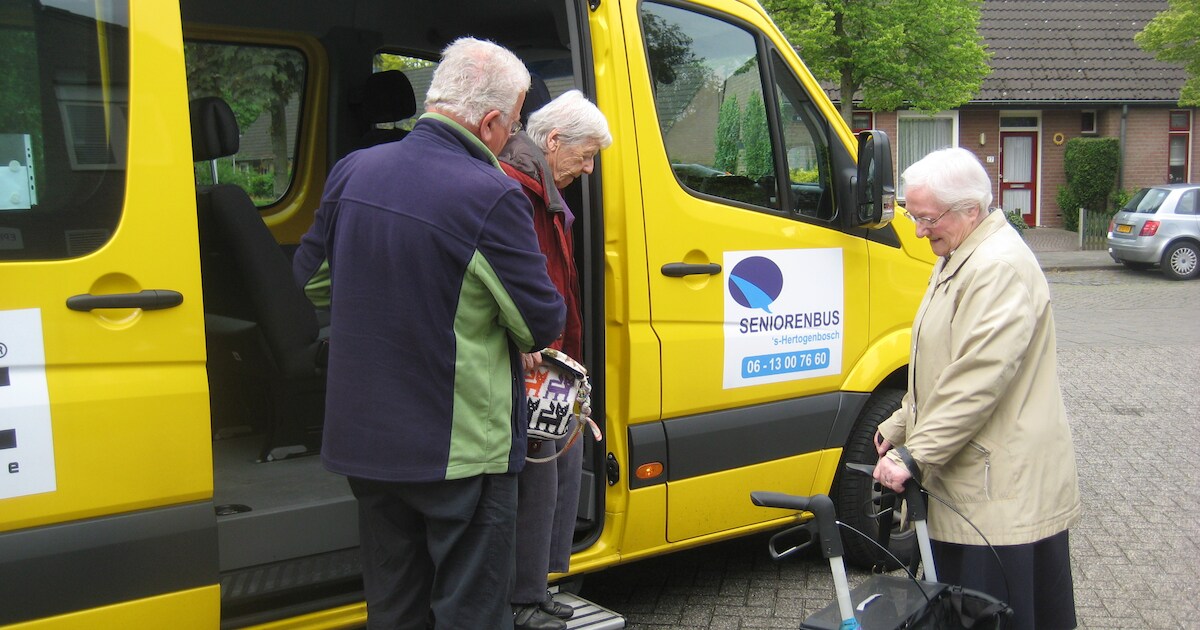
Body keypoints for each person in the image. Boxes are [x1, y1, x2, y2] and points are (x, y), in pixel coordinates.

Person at [293, 37, 566, 629]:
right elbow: (538, 321)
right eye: (514, 124)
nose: (511, 137)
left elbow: (314, 282)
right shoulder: (489, 194)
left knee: (394, 609)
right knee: (471, 612)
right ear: (492, 120)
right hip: (460, 451)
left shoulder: (353, 169)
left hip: (366, 444)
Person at [872, 147, 1081, 629]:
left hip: (1000, 489)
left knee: (994, 614)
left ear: (969, 209)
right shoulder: (960, 255)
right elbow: (938, 364)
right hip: (968, 476)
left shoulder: (997, 268)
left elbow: (978, 379)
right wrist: (899, 426)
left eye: (926, 218)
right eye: (913, 215)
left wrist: (913, 455)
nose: (920, 230)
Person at [498, 89, 611, 630]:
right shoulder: (518, 185)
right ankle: (525, 595)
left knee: (560, 465)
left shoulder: (537, 177)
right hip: (534, 355)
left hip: (552, 352)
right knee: (540, 473)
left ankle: (539, 586)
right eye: (585, 155)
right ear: (554, 140)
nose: (587, 170)